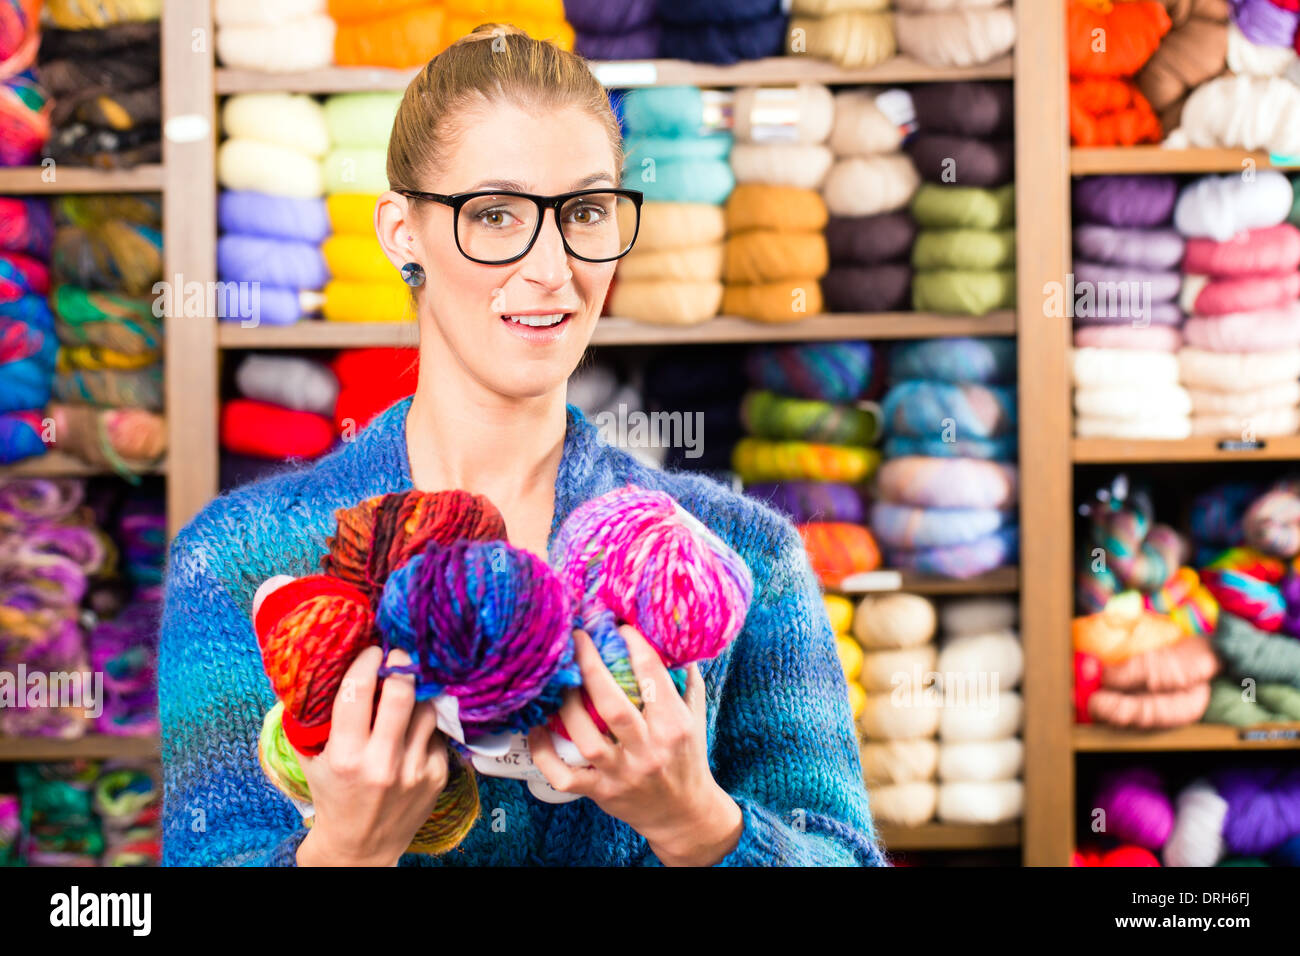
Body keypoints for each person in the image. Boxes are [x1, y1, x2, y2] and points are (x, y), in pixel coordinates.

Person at [159, 24, 886, 867]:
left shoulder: (741, 553)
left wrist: (698, 823)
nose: (551, 267)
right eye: (496, 214)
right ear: (401, 232)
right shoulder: (241, 556)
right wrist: (344, 851)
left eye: (584, 212)